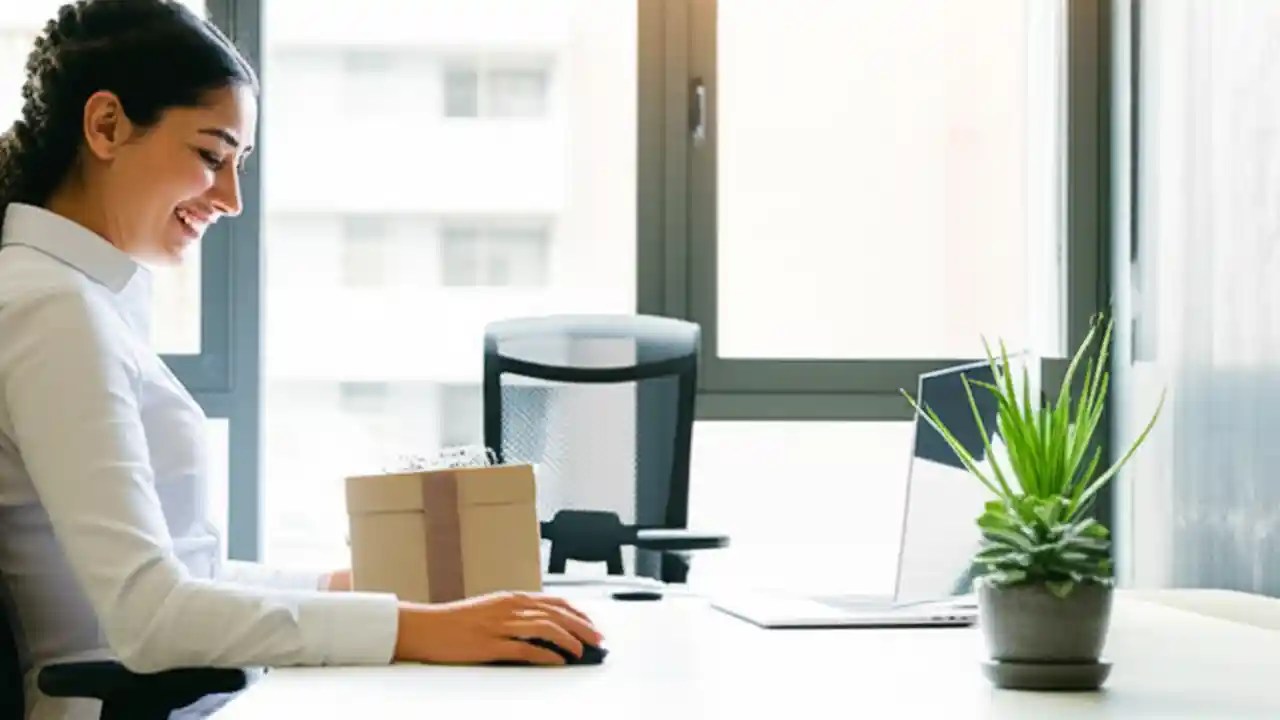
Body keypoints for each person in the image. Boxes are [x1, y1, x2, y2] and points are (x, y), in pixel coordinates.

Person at [0, 1, 602, 718]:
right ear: (106, 126)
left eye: (239, 164)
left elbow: (194, 573)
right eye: (211, 155)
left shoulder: (78, 297)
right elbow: (148, 614)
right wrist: (424, 628)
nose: (231, 198)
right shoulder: (52, 306)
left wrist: (357, 588)